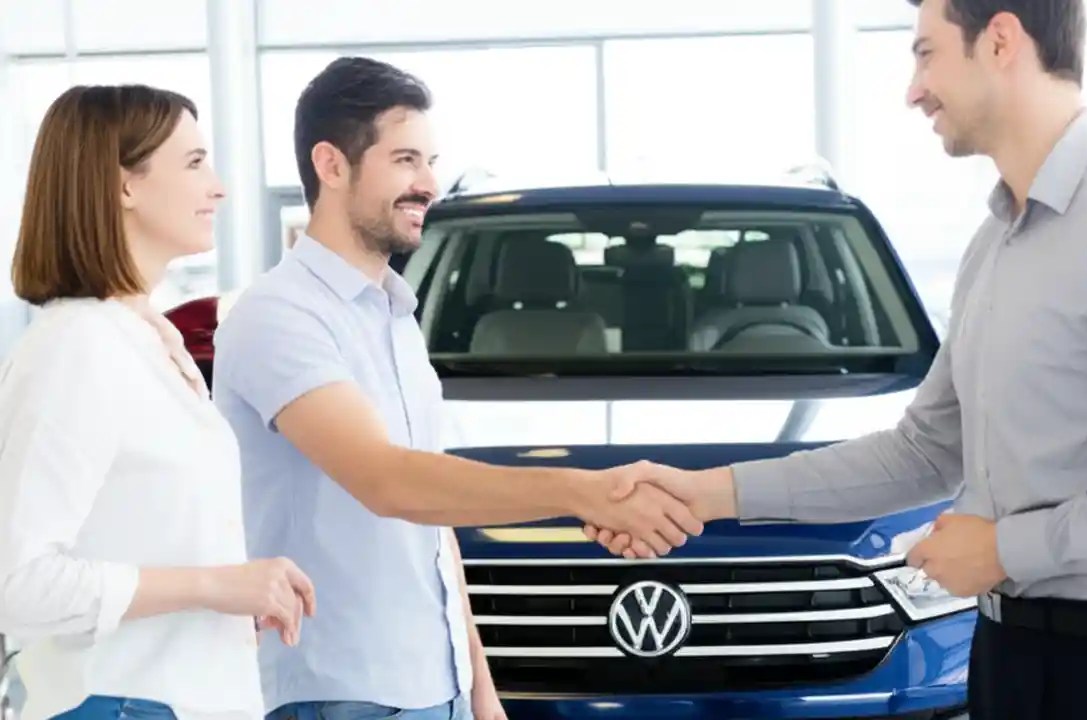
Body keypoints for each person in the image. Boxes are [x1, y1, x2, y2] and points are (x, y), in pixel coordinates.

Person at [587, 1, 1087, 718]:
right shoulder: (997, 242)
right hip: (1009, 656)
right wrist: (709, 493)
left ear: (1000, 41)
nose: (914, 90)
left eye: (925, 54)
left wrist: (1008, 548)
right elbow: (923, 452)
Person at [210, 57, 700, 720]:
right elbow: (390, 482)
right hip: (338, 692)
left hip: (432, 686)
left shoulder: (396, 315)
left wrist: (479, 686)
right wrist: (582, 491)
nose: (428, 183)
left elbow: (432, 519)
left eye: (430, 161)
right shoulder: (279, 316)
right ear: (331, 165)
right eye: (406, 159)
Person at [0, 84, 316, 720]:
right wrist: (214, 585)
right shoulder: (77, 347)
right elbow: (16, 583)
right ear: (123, 186)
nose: (220, 187)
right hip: (120, 703)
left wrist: (226, 590)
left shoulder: (148, 337)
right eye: (195, 163)